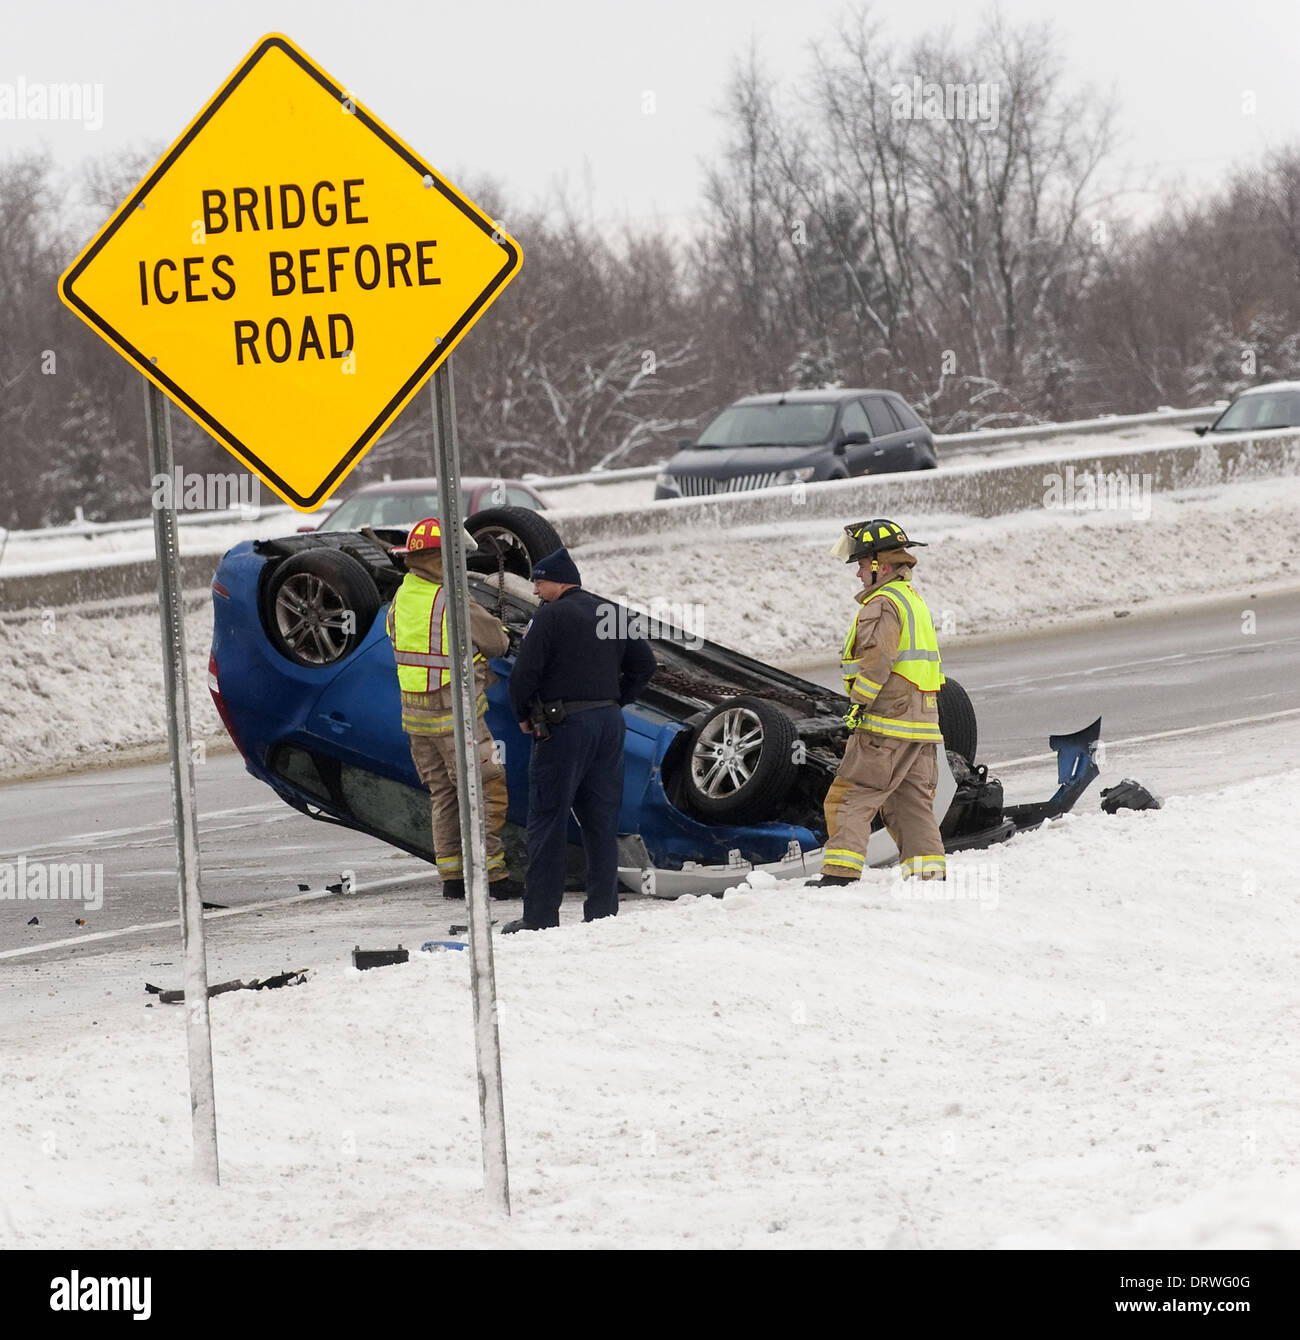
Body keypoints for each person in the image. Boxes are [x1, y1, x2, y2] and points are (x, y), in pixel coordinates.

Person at [503, 547, 657, 932]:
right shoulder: (612, 613)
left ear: (558, 581)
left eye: (539, 583)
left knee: (548, 819)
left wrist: (522, 713)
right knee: (601, 821)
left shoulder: (550, 617)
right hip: (607, 725)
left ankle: (539, 916)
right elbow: (646, 664)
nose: (536, 591)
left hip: (564, 728)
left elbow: (525, 672)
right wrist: (614, 700)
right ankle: (602, 911)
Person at [386, 516, 522, 900]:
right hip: (456, 719)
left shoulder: (402, 597)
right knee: (483, 788)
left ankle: (453, 877)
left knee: (444, 794)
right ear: (441, 558)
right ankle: (493, 877)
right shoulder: (453, 599)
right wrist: (504, 632)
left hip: (416, 720)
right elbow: (494, 642)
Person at [819, 519, 947, 885]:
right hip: (921, 724)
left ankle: (839, 875)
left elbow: (878, 660)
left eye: (861, 565)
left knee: (851, 795)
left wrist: (859, 704)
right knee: (910, 804)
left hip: (887, 721)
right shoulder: (912, 600)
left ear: (881, 566)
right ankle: (929, 876)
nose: (858, 574)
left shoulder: (881, 604)